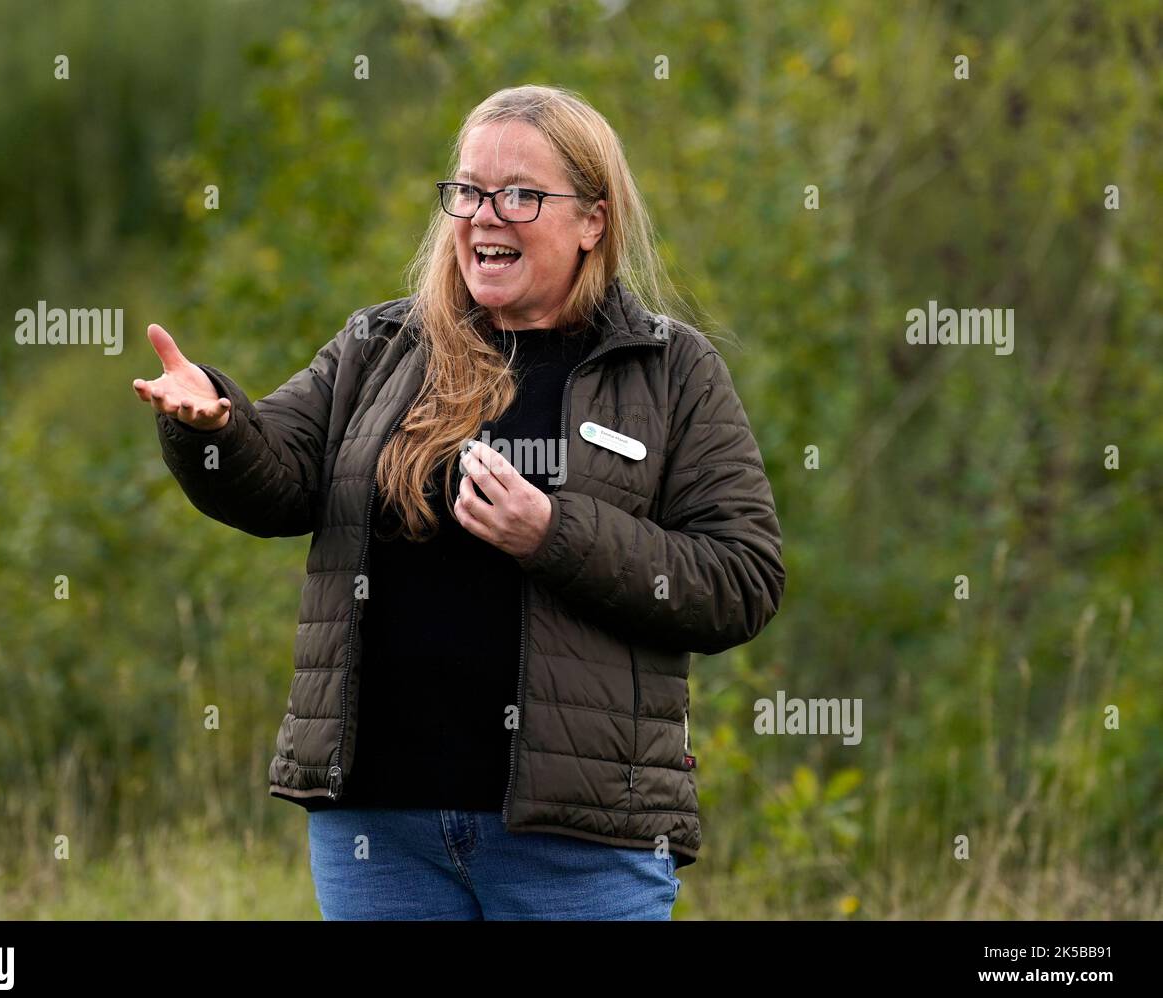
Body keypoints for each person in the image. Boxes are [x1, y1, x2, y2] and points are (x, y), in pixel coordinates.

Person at [132, 84, 785, 920]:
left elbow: (742, 578)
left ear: (593, 219)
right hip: (381, 829)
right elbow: (280, 478)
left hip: (576, 841)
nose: (485, 215)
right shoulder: (382, 346)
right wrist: (214, 423)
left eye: (520, 195)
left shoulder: (670, 371)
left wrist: (553, 533)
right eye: (469, 191)